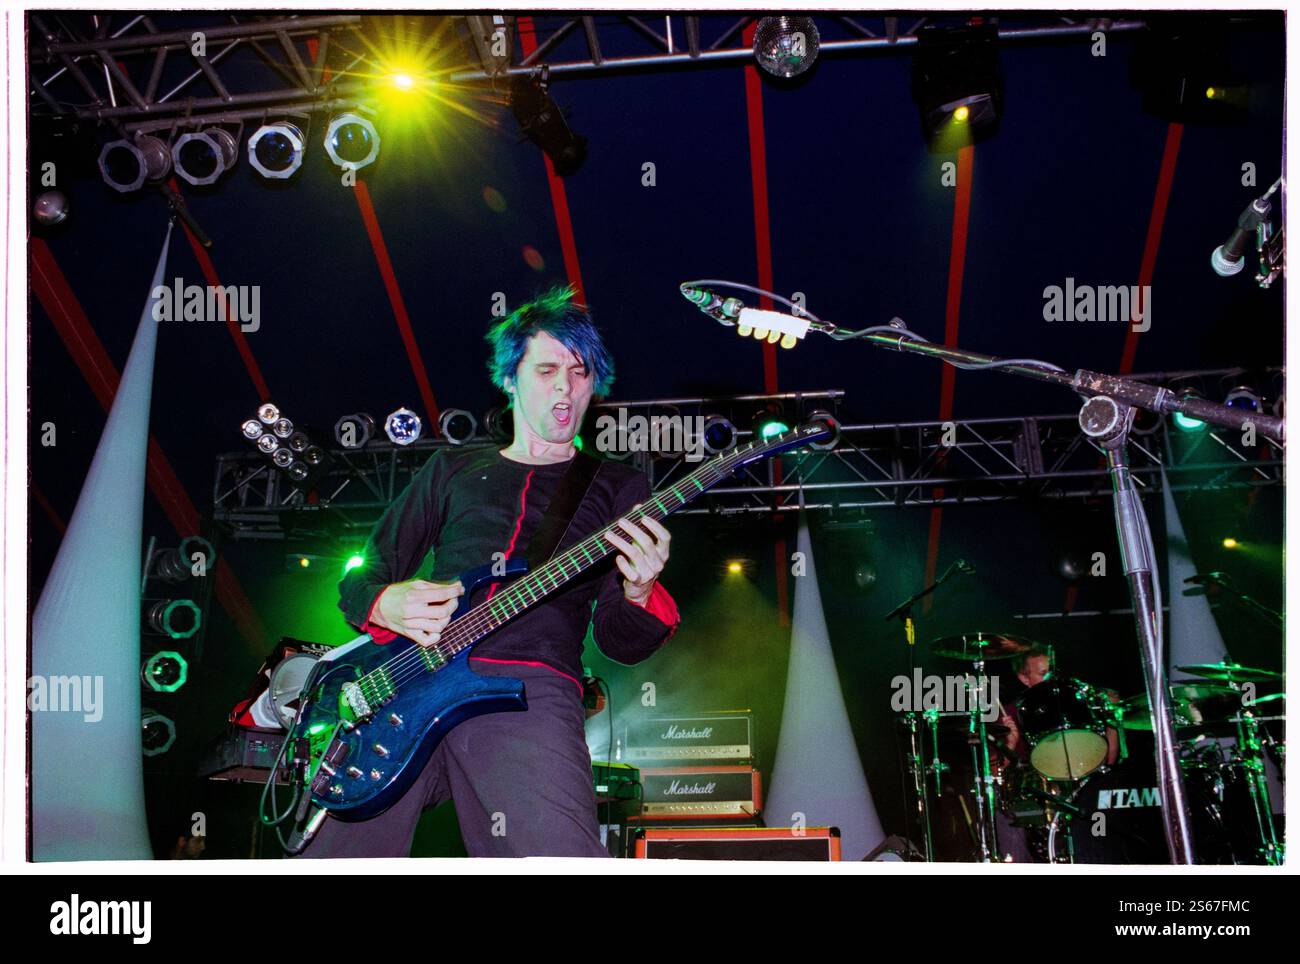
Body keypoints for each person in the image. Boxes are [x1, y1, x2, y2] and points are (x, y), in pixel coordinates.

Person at [300, 286, 680, 858]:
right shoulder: (451, 468)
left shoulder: (617, 486)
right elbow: (366, 574)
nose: (565, 386)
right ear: (510, 378)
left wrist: (639, 588)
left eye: (579, 373)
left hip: (526, 687)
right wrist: (385, 603)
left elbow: (616, 641)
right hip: (406, 682)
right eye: (548, 368)